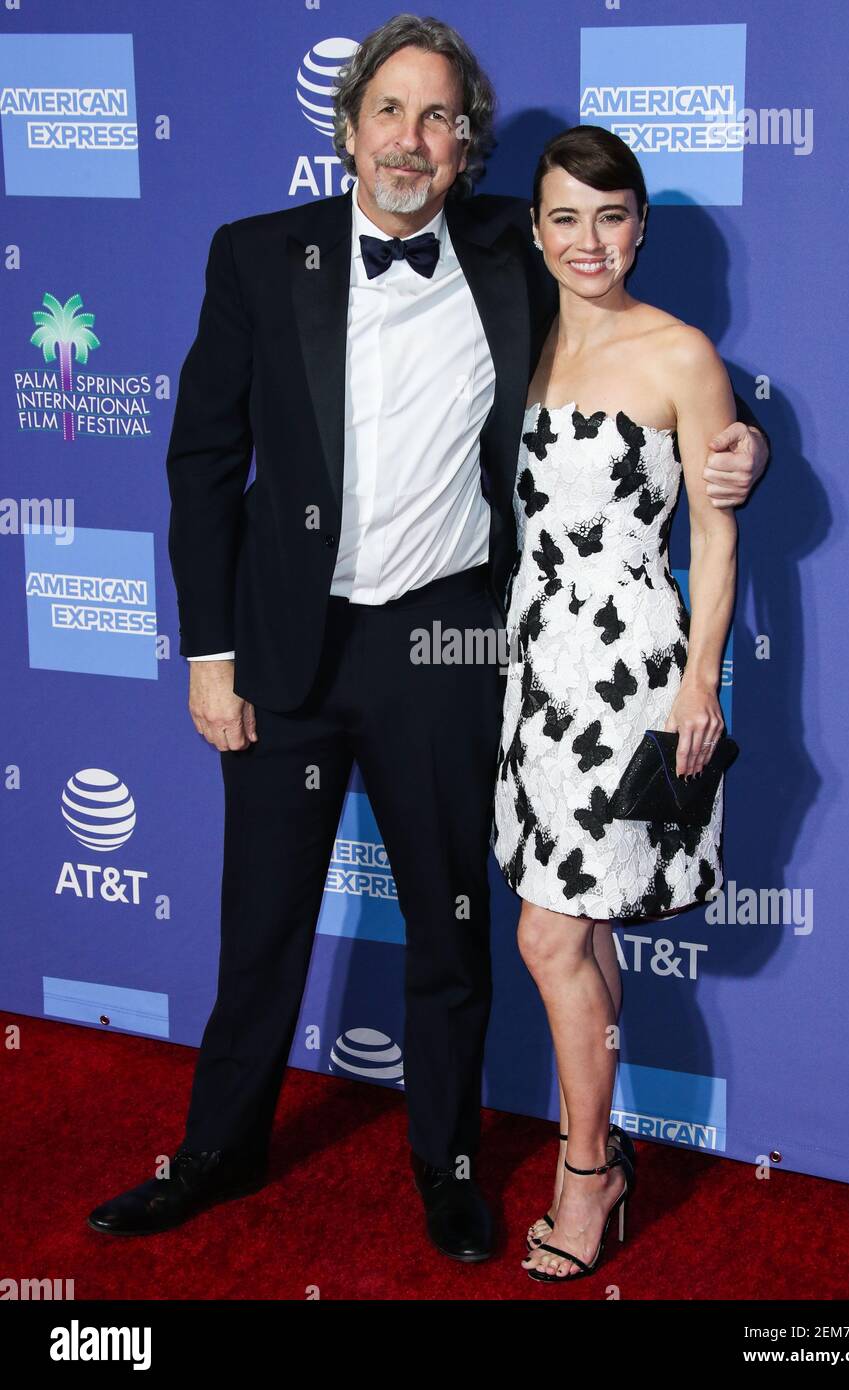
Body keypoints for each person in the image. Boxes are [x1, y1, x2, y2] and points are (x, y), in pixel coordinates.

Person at [87, 17, 768, 1263]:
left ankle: (448, 1170)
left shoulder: (519, 245)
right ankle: (214, 1154)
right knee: (260, 925)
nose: (413, 140)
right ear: (348, 129)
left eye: (441, 118)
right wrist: (210, 651)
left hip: (448, 647)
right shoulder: (253, 255)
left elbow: (647, 352)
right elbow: (200, 465)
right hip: (287, 650)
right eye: (390, 113)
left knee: (453, 933)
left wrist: (741, 452)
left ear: (466, 150)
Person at [493, 124, 742, 1282]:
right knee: (570, 932)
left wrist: (699, 679)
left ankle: (586, 1172)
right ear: (534, 229)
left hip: (630, 670)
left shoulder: (680, 352)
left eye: (609, 215)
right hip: (535, 671)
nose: (587, 240)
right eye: (563, 216)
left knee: (551, 933)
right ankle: (600, 1151)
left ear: (638, 227)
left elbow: (714, 525)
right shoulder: (524, 341)